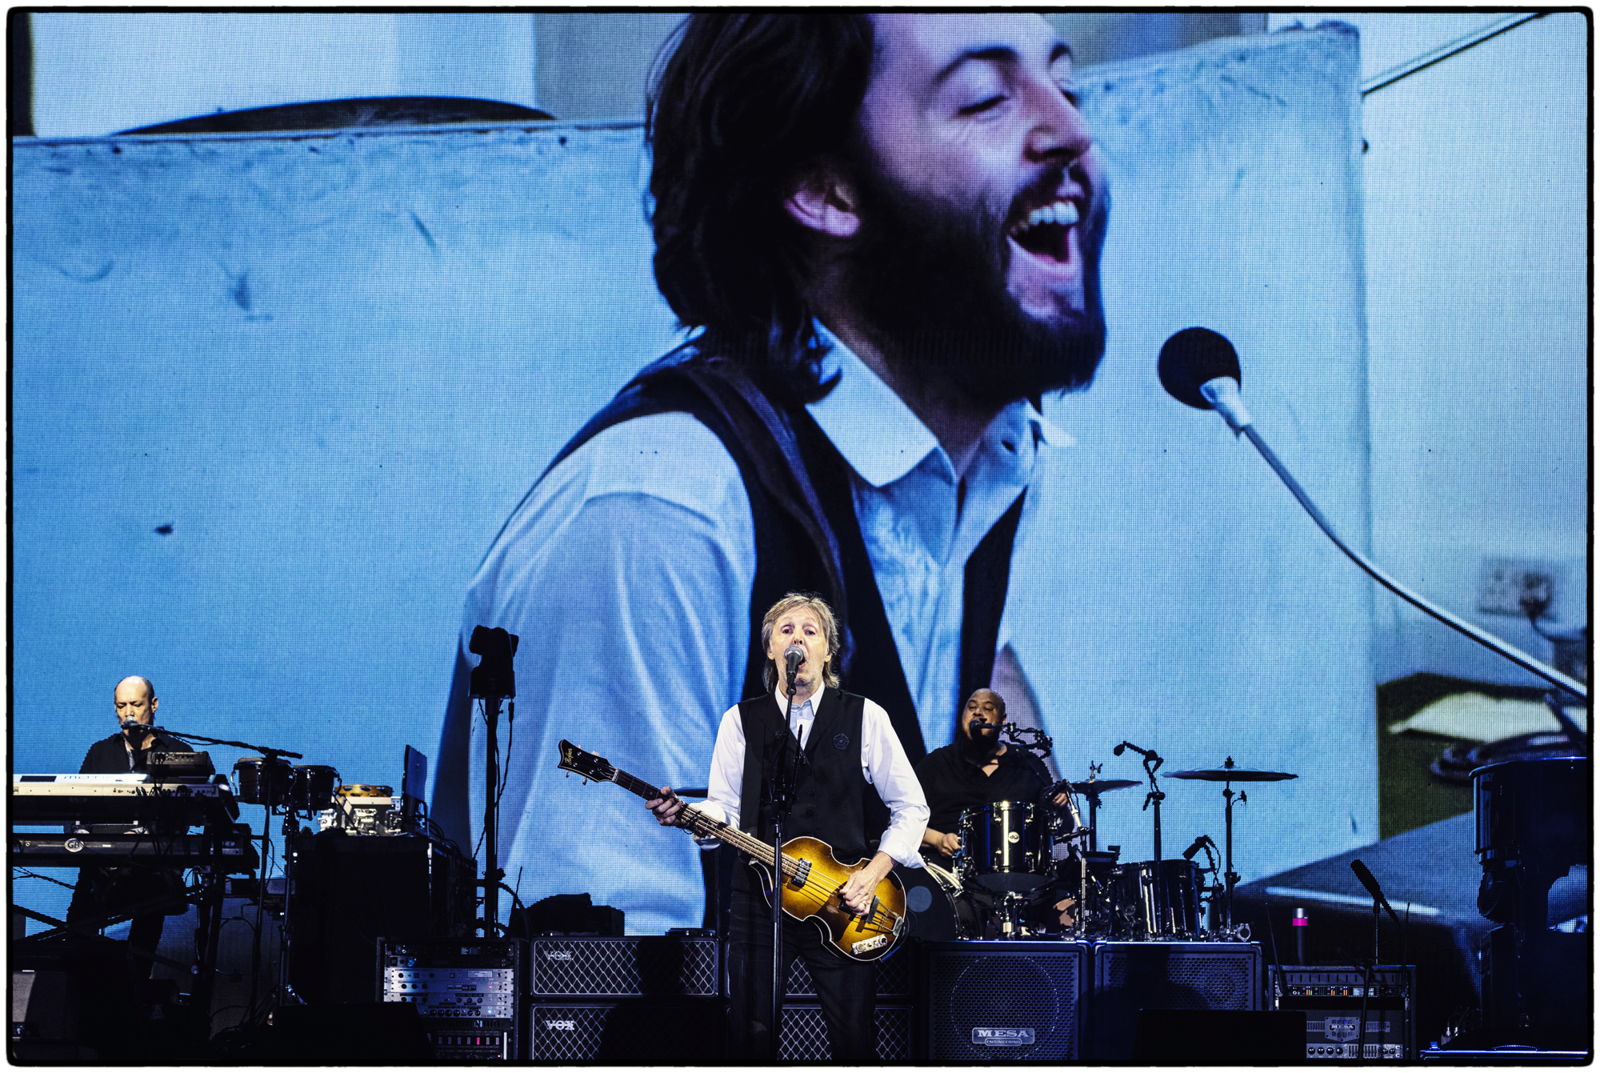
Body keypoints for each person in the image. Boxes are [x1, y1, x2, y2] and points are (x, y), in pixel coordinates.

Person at [433, 12, 1109, 933]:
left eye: (1066, 83)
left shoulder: (984, 471)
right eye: (986, 100)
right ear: (822, 185)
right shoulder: (661, 511)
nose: (1071, 131)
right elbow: (592, 1003)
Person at [646, 593, 928, 1062]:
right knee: (751, 1038)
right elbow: (724, 809)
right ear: (771, 649)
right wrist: (689, 817)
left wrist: (873, 873)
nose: (797, 637)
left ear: (827, 651)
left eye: (810, 631)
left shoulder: (864, 715)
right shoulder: (741, 721)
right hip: (758, 903)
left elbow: (912, 807)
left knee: (854, 1039)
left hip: (844, 903)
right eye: (786, 630)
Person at [67, 676, 193, 967]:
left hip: (152, 870)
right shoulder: (100, 752)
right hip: (102, 867)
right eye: (121, 706)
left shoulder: (178, 752)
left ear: (154, 705)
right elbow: (76, 804)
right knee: (78, 926)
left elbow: (193, 808)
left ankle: (134, 992)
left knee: (150, 914)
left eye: (136, 704)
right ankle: (83, 990)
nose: (129, 713)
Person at [915, 687, 1058, 871]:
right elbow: (899, 820)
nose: (978, 713)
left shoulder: (1027, 764)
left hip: (1014, 877)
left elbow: (1056, 826)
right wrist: (938, 840)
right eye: (971, 707)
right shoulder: (937, 763)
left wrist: (1058, 804)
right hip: (945, 872)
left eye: (988, 709)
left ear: (1002, 720)